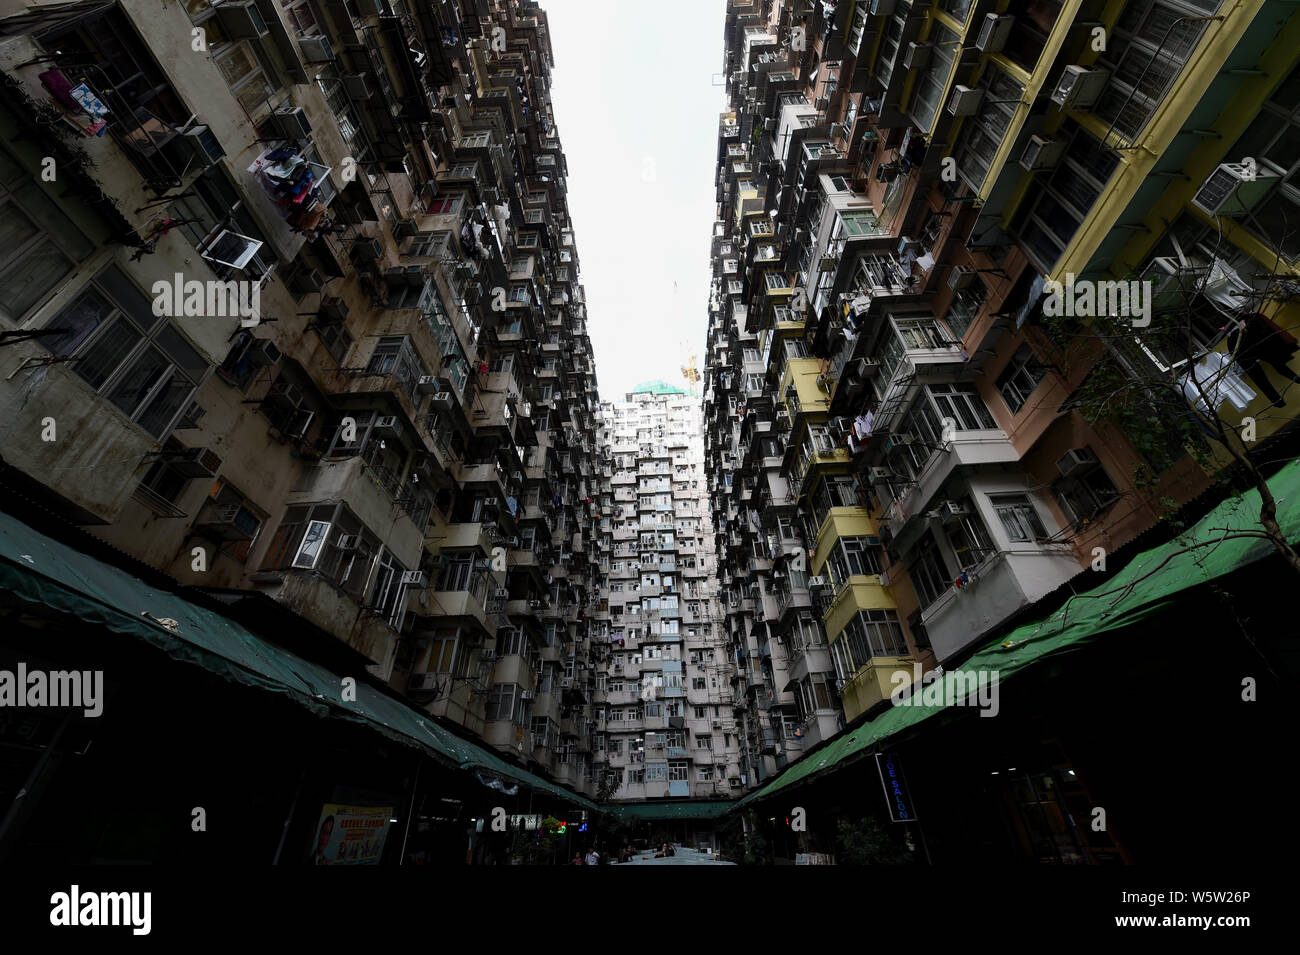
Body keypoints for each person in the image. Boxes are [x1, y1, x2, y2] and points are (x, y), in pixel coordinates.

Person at [1226, 312, 1300, 408]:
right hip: (1246, 337)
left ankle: (1277, 400)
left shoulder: (1248, 321)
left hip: (1236, 343)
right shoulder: (1251, 319)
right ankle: (1293, 378)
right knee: (1274, 360)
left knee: (1258, 375)